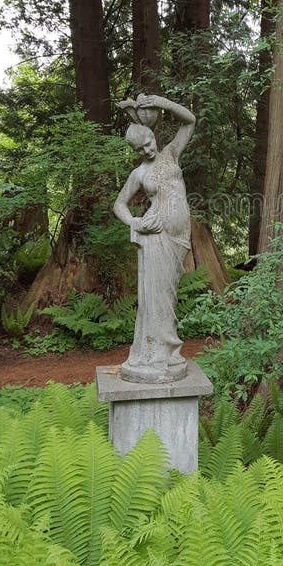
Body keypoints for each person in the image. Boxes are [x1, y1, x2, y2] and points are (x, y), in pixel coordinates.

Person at [113, 96, 195, 383]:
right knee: (156, 297)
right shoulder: (139, 173)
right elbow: (119, 204)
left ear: (153, 136)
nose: (147, 150)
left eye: (148, 143)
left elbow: (190, 121)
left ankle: (167, 351)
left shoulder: (171, 153)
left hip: (178, 238)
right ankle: (157, 354)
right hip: (155, 238)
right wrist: (135, 223)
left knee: (169, 295)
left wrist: (162, 102)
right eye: (140, 149)